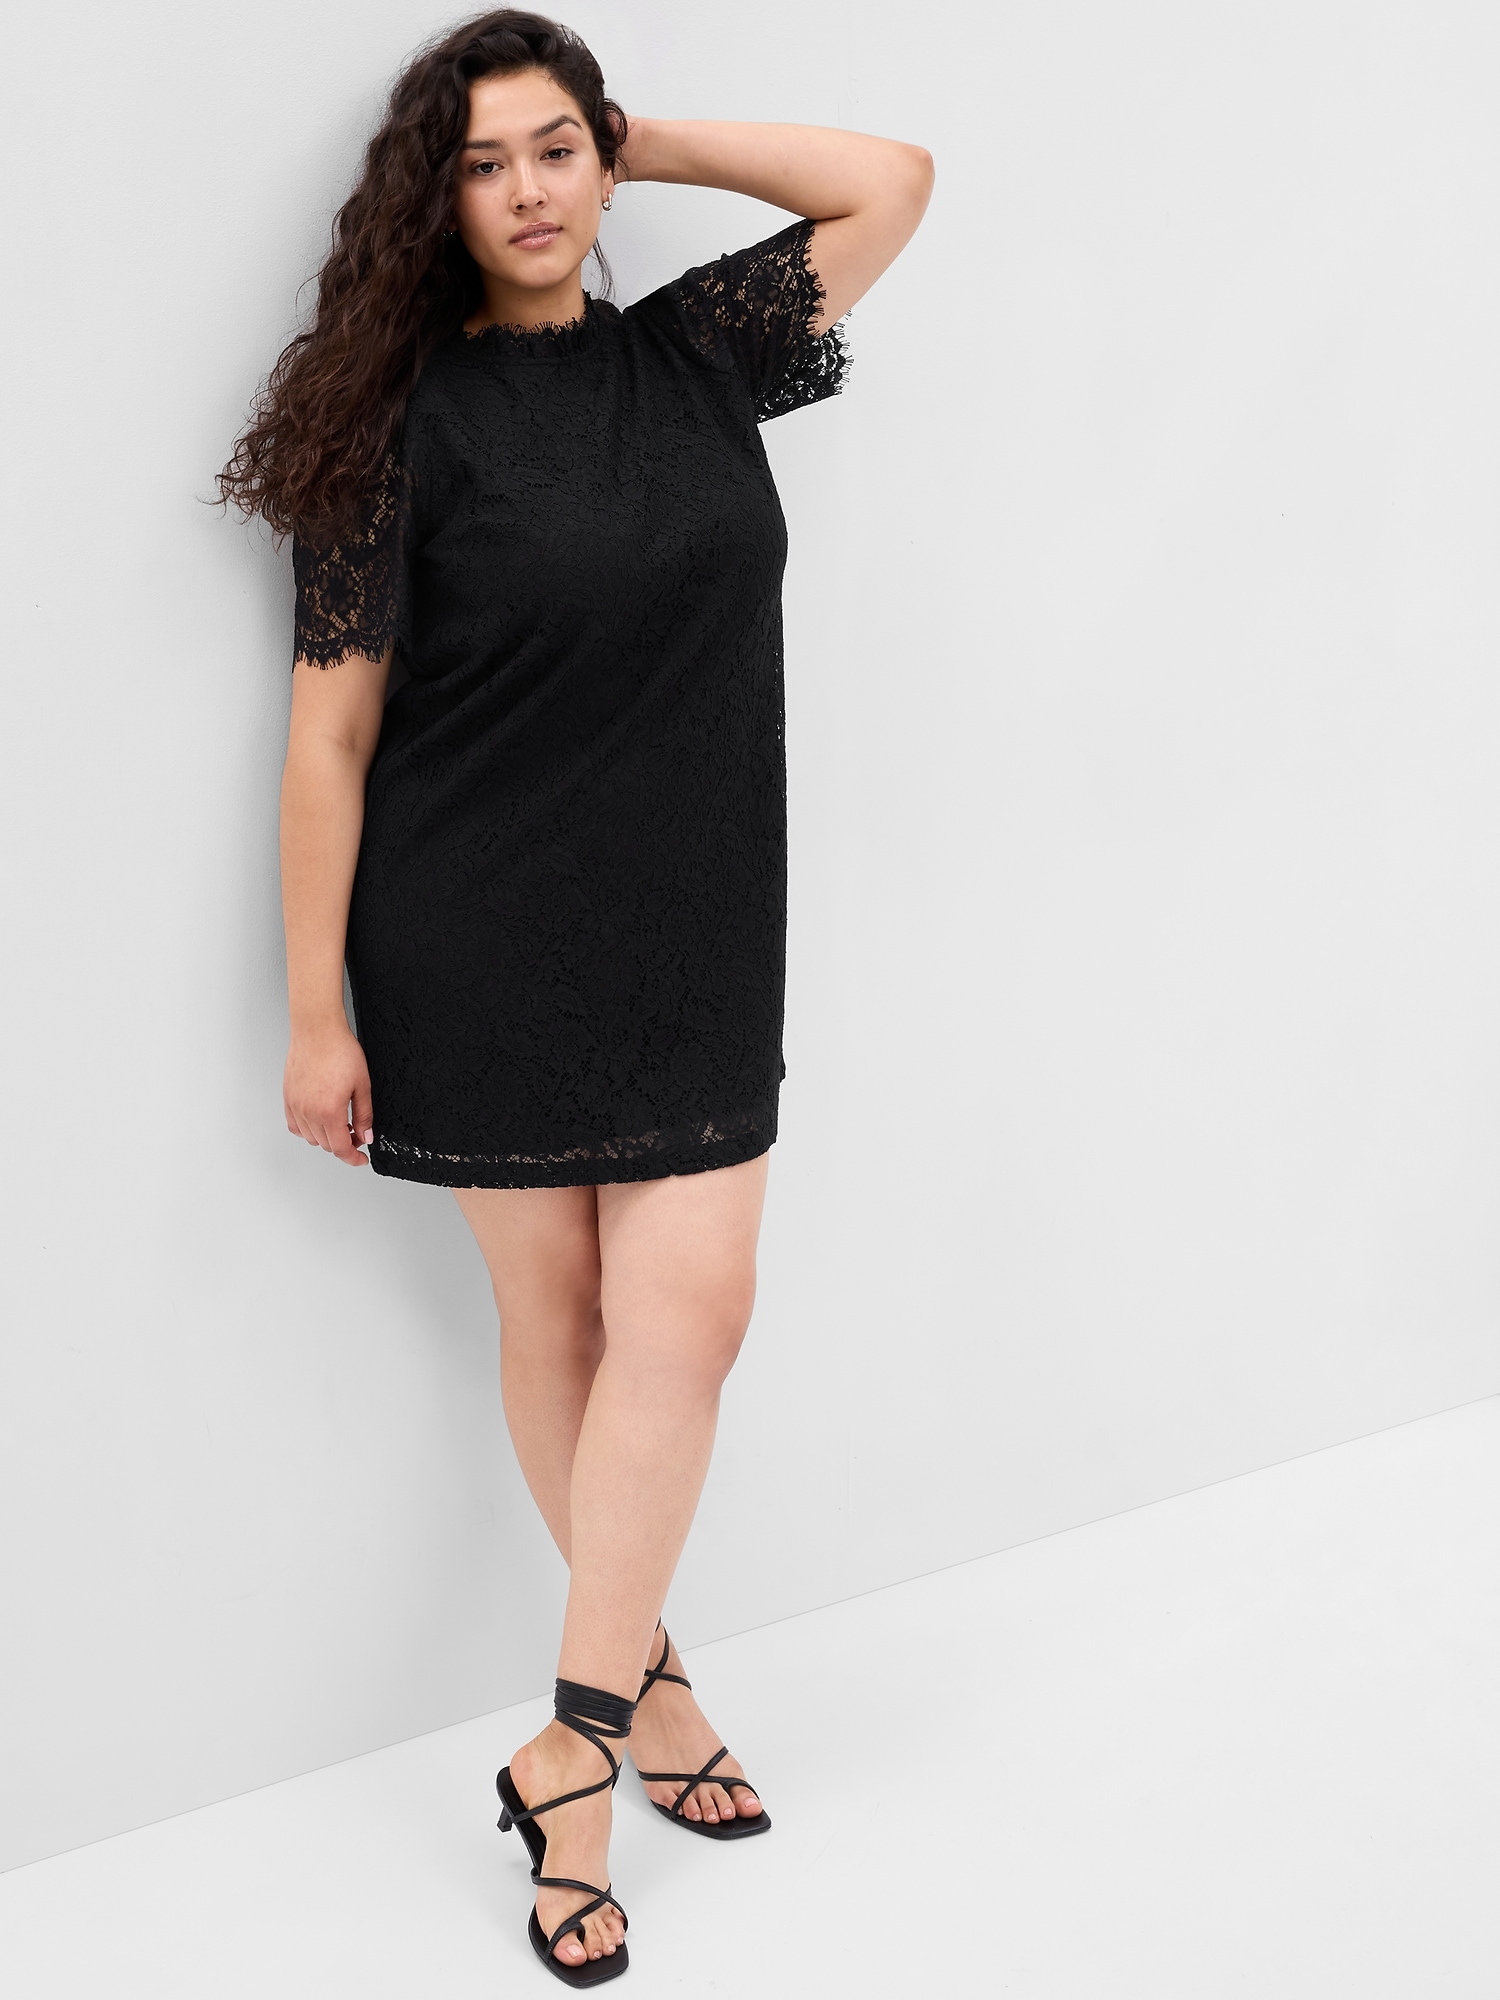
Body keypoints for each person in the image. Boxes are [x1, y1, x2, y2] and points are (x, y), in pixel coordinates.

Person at [222, 8, 931, 1983]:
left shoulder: (703, 351)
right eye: (483, 163)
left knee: (690, 1322)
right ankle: (642, 1709)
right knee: (565, 1320)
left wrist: (642, 137)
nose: (528, 192)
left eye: (556, 151)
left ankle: (572, 1747)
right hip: (476, 931)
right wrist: (315, 1012)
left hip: (700, 923)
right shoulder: (392, 428)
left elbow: (894, 181)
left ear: (597, 162)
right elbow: (329, 740)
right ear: (432, 204)